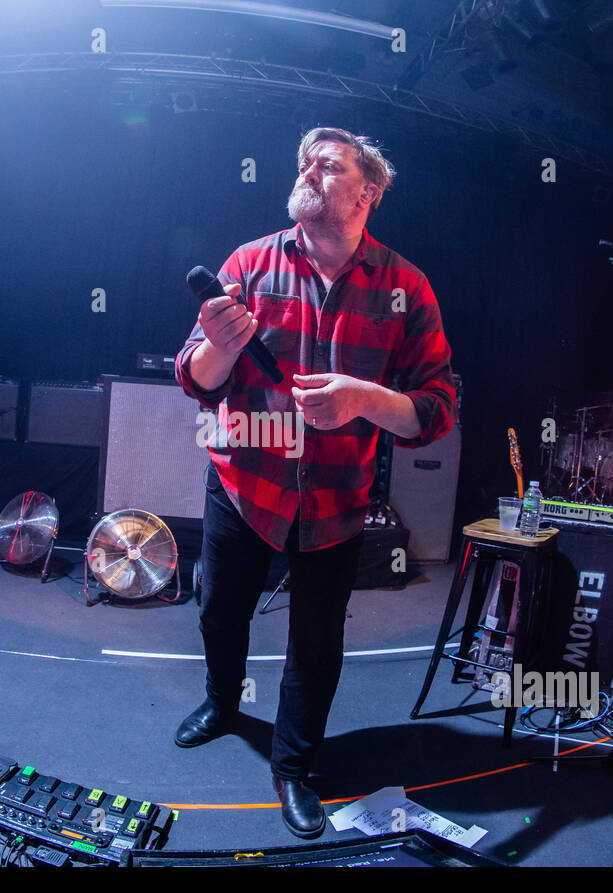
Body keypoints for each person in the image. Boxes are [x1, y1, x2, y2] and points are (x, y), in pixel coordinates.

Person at [174, 127, 456, 839]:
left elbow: (436, 409)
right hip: (243, 482)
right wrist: (219, 347)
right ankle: (221, 702)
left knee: (316, 642)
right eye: (303, 159)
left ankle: (293, 767)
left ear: (368, 191)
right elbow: (193, 379)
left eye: (327, 164)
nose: (308, 169)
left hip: (335, 498)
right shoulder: (249, 263)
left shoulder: (406, 287)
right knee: (219, 612)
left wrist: (364, 398)